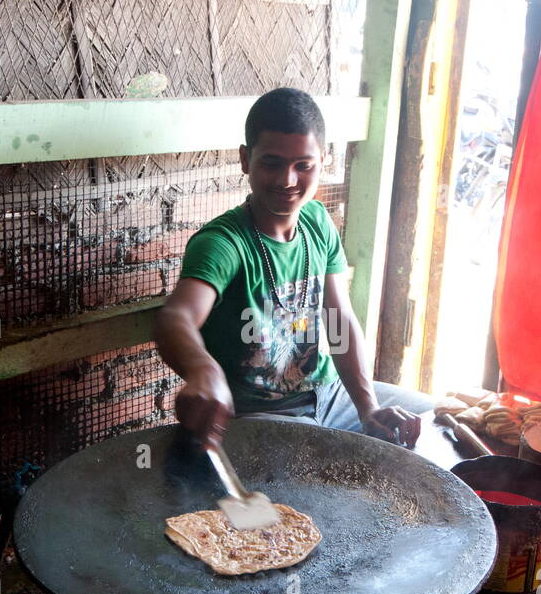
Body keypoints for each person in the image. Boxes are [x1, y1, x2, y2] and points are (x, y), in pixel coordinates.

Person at [154, 87, 433, 449]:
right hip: (261, 417)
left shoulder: (317, 221)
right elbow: (176, 318)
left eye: (303, 165)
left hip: (331, 398)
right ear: (244, 159)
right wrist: (202, 369)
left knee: (431, 418)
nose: (287, 180)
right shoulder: (223, 243)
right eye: (271, 163)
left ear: (323, 159)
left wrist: (368, 409)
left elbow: (337, 318)